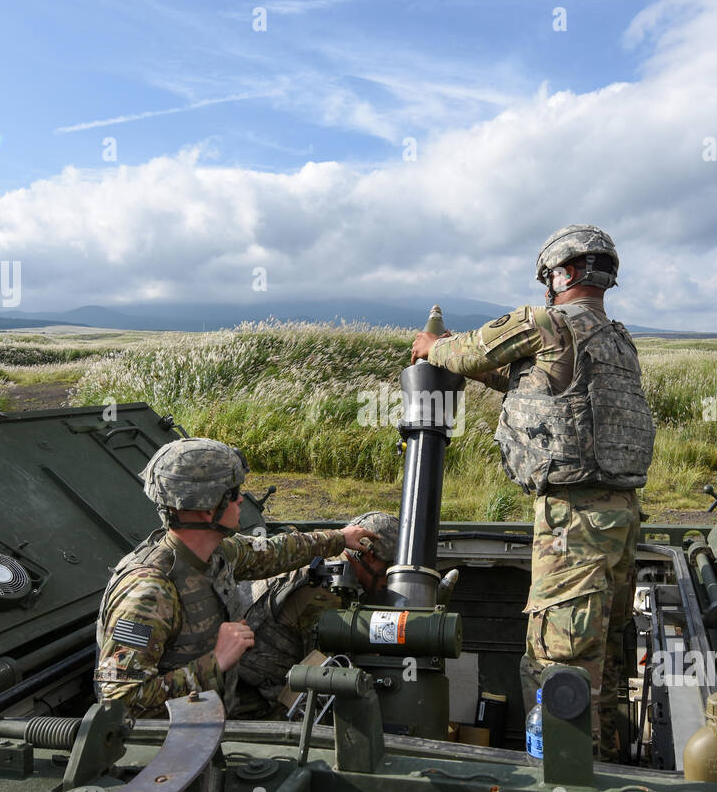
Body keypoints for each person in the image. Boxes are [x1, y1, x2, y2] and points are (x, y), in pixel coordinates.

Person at [410, 224, 655, 758]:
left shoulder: (542, 323)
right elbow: (545, 387)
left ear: (562, 275)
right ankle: (608, 775)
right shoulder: (616, 341)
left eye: (549, 276)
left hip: (573, 523)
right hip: (621, 517)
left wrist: (433, 347)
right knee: (604, 661)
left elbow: (466, 353)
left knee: (559, 664)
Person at [95, 438, 377, 718]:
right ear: (207, 507)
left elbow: (274, 552)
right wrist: (216, 661)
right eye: (233, 493)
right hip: (170, 750)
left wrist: (339, 538)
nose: (242, 498)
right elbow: (120, 702)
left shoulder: (218, 553)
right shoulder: (149, 591)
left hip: (211, 720)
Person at [232, 511, 400, 719]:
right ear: (369, 554)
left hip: (246, 678)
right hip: (251, 701)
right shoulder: (328, 589)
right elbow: (323, 672)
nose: (390, 578)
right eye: (389, 568)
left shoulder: (320, 559)